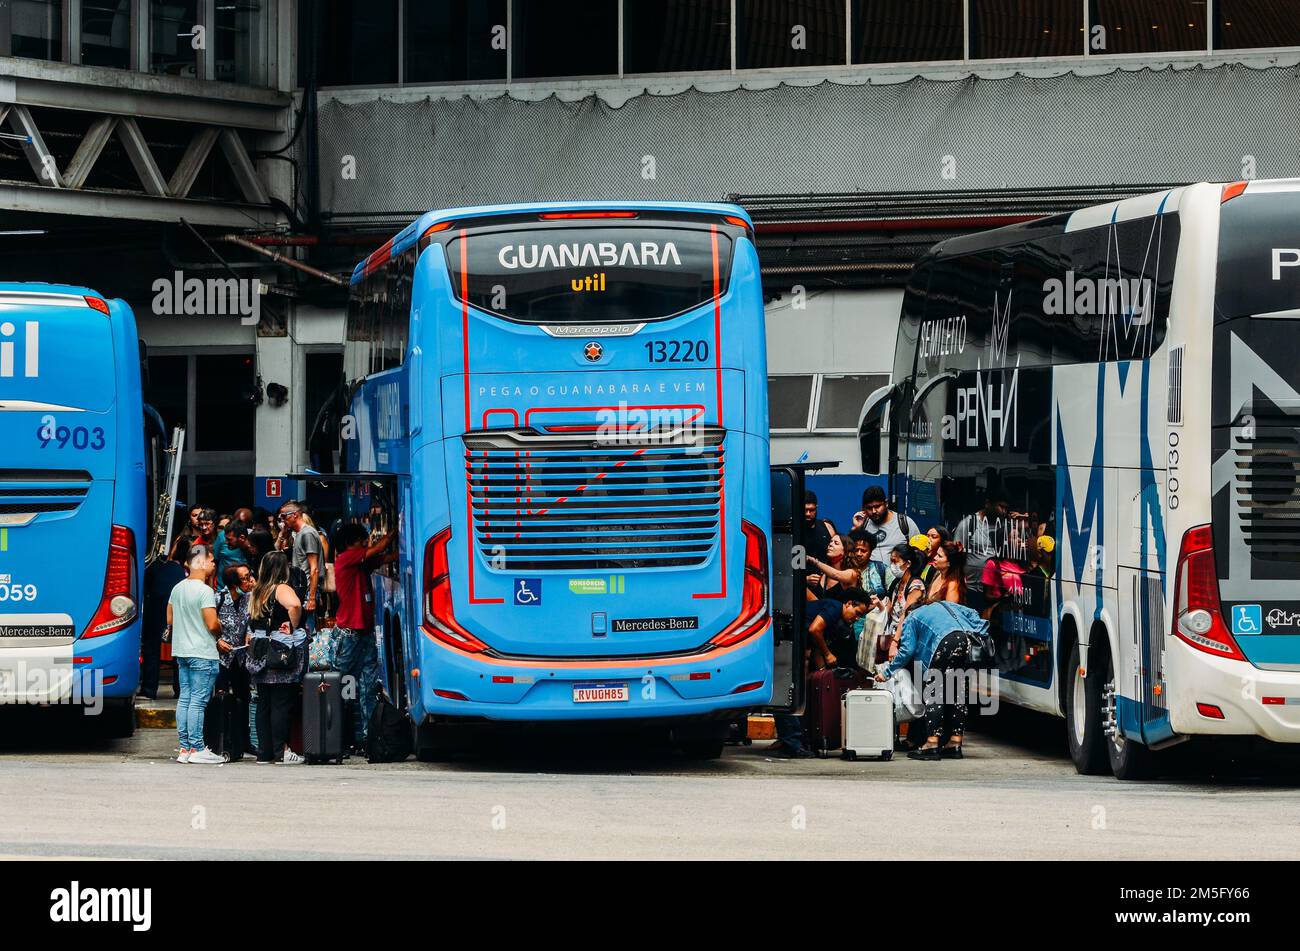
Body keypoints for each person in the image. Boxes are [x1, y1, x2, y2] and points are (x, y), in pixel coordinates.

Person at [876, 600, 988, 760]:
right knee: (957, 693)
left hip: (944, 644)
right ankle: (955, 743)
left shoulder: (912, 617)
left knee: (935, 693)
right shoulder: (944, 605)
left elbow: (907, 650)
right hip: (966, 642)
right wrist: (976, 629)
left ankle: (932, 743)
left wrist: (886, 673)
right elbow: (974, 614)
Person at [332, 523, 397, 752]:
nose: (366, 543)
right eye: (362, 539)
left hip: (365, 632)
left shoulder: (358, 564)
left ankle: (368, 737)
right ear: (352, 542)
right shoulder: (347, 558)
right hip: (350, 633)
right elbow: (380, 548)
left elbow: (385, 558)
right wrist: (395, 529)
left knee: (368, 685)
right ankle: (339, 735)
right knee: (342, 683)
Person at [166, 545, 228, 764]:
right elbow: (212, 624)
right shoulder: (204, 591)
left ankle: (185, 748)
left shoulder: (177, 588)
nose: (213, 565)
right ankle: (197, 748)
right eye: (211, 560)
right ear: (201, 562)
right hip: (202, 651)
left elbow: (170, 620)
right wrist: (221, 629)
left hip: (181, 651)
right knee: (198, 702)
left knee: (185, 699)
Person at [246, 551, 306, 765]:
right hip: (279, 650)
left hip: (259, 651)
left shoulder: (257, 590)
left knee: (264, 704)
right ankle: (282, 750)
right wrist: (294, 624)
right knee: (281, 703)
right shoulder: (280, 587)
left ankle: (264, 751)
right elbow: (295, 605)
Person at [140, 535, 188, 700]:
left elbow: (145, 588)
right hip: (178, 610)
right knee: (178, 651)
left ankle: (149, 689)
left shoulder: (156, 565)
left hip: (156, 608)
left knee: (151, 648)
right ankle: (180, 689)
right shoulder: (182, 570)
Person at [876, 543, 927, 664]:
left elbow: (906, 615)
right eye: (891, 561)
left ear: (908, 563)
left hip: (906, 639)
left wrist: (895, 643)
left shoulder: (915, 586)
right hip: (893, 635)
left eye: (895, 561)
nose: (892, 565)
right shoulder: (896, 583)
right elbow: (889, 608)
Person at [279, 501, 322, 632]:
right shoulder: (299, 534)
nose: (282, 521)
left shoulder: (307, 533)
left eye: (284, 516)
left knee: (307, 632)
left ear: (295, 515)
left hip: (307, 590)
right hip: (302, 589)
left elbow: (314, 568)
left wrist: (312, 598)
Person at [854, 486, 919, 567]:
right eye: (869, 508)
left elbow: (918, 555)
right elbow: (852, 554)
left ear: (886, 503)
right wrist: (857, 528)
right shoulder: (863, 524)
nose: (874, 511)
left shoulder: (904, 523)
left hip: (899, 577)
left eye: (877, 506)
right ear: (863, 509)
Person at [805, 533, 860, 601]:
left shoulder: (852, 573)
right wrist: (805, 580)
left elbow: (835, 574)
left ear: (845, 550)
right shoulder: (821, 571)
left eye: (836, 543)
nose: (830, 544)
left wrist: (814, 561)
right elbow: (816, 601)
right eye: (830, 542)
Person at [802, 490, 836, 563]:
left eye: (811, 510)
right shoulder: (794, 531)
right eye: (805, 510)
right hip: (800, 574)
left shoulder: (827, 527)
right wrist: (804, 575)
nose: (808, 514)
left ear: (816, 508)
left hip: (824, 573)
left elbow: (838, 554)